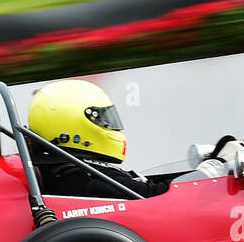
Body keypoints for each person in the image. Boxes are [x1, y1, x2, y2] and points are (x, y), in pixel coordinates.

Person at [26, 79, 168, 199]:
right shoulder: (86, 179)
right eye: (102, 118)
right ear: (74, 126)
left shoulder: (61, 173)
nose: (109, 124)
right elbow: (155, 196)